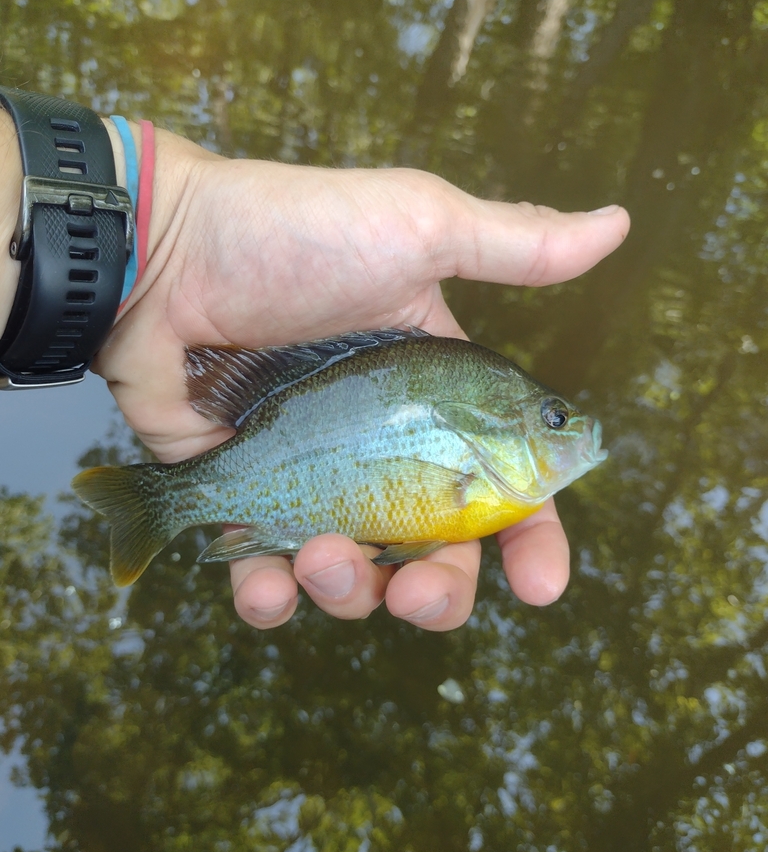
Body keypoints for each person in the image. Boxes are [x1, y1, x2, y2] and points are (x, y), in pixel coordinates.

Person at [0, 101, 629, 631]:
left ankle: (168, 500)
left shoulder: (484, 450)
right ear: (499, 424)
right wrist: (167, 231)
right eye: (555, 418)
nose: (574, 428)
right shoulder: (483, 443)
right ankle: (161, 501)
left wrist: (161, 227)